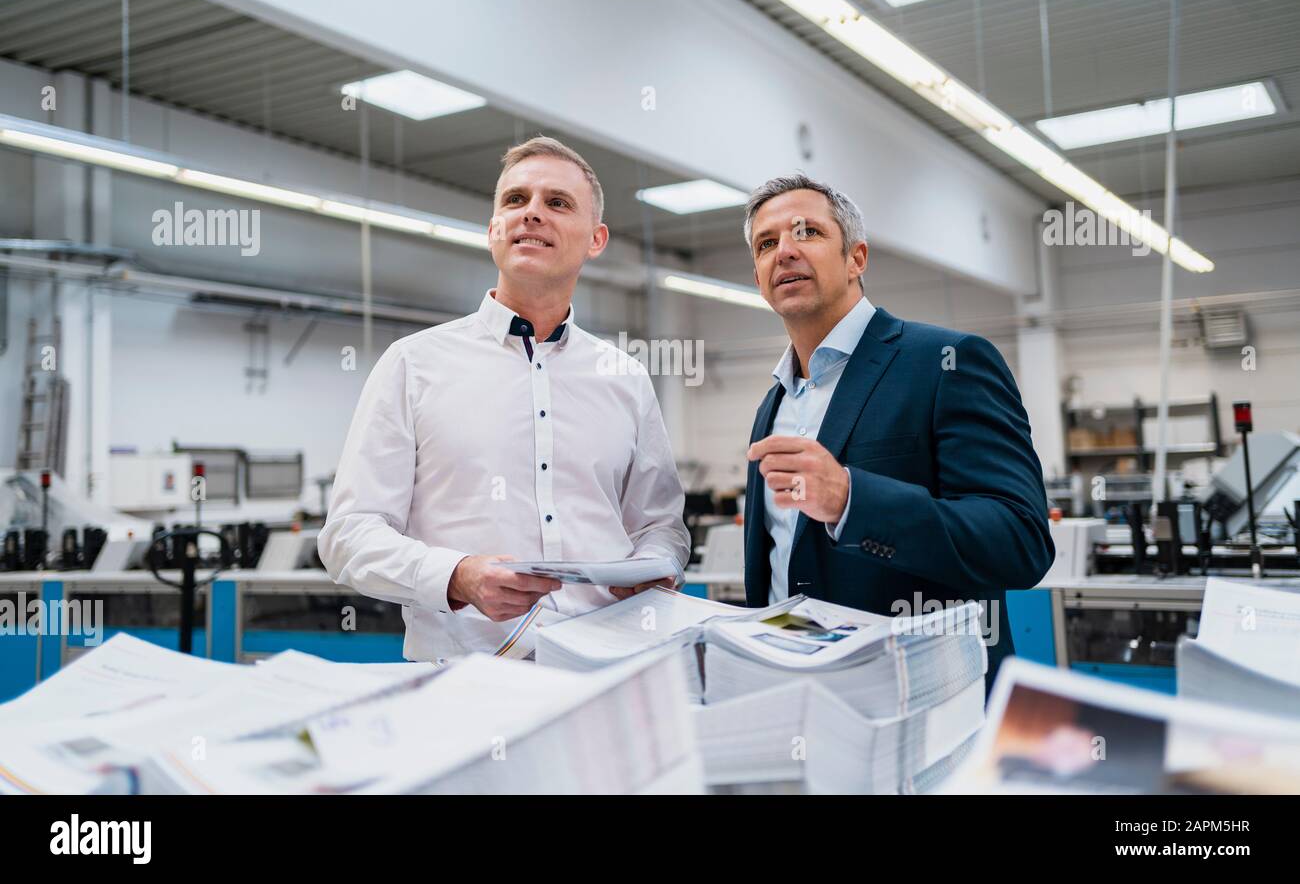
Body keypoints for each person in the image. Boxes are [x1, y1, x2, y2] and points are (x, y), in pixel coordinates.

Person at [319, 137, 689, 659]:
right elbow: (348, 536)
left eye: (557, 203)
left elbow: (661, 525)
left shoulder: (624, 377)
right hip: (464, 678)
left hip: (608, 665)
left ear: (595, 239)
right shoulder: (413, 364)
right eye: (515, 201)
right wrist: (456, 576)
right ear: (493, 230)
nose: (532, 213)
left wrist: (654, 565)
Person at [740, 174, 1053, 685]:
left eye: (808, 233)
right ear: (758, 277)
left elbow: (1020, 541)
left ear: (856, 258)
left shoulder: (947, 363)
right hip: (801, 695)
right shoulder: (772, 403)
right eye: (767, 243)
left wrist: (852, 501)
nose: (785, 252)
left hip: (929, 702)